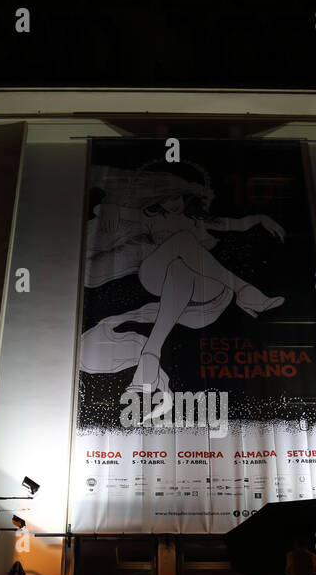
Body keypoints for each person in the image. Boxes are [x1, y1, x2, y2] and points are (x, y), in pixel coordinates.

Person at [79, 161, 286, 399]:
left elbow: (237, 224)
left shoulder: (199, 219)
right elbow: (102, 211)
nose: (173, 203)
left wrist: (261, 217)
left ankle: (150, 355)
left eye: (177, 197)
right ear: (157, 200)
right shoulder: (149, 219)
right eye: (166, 199)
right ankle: (247, 293)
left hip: (203, 291)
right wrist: (112, 207)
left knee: (181, 269)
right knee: (183, 243)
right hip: (156, 276)